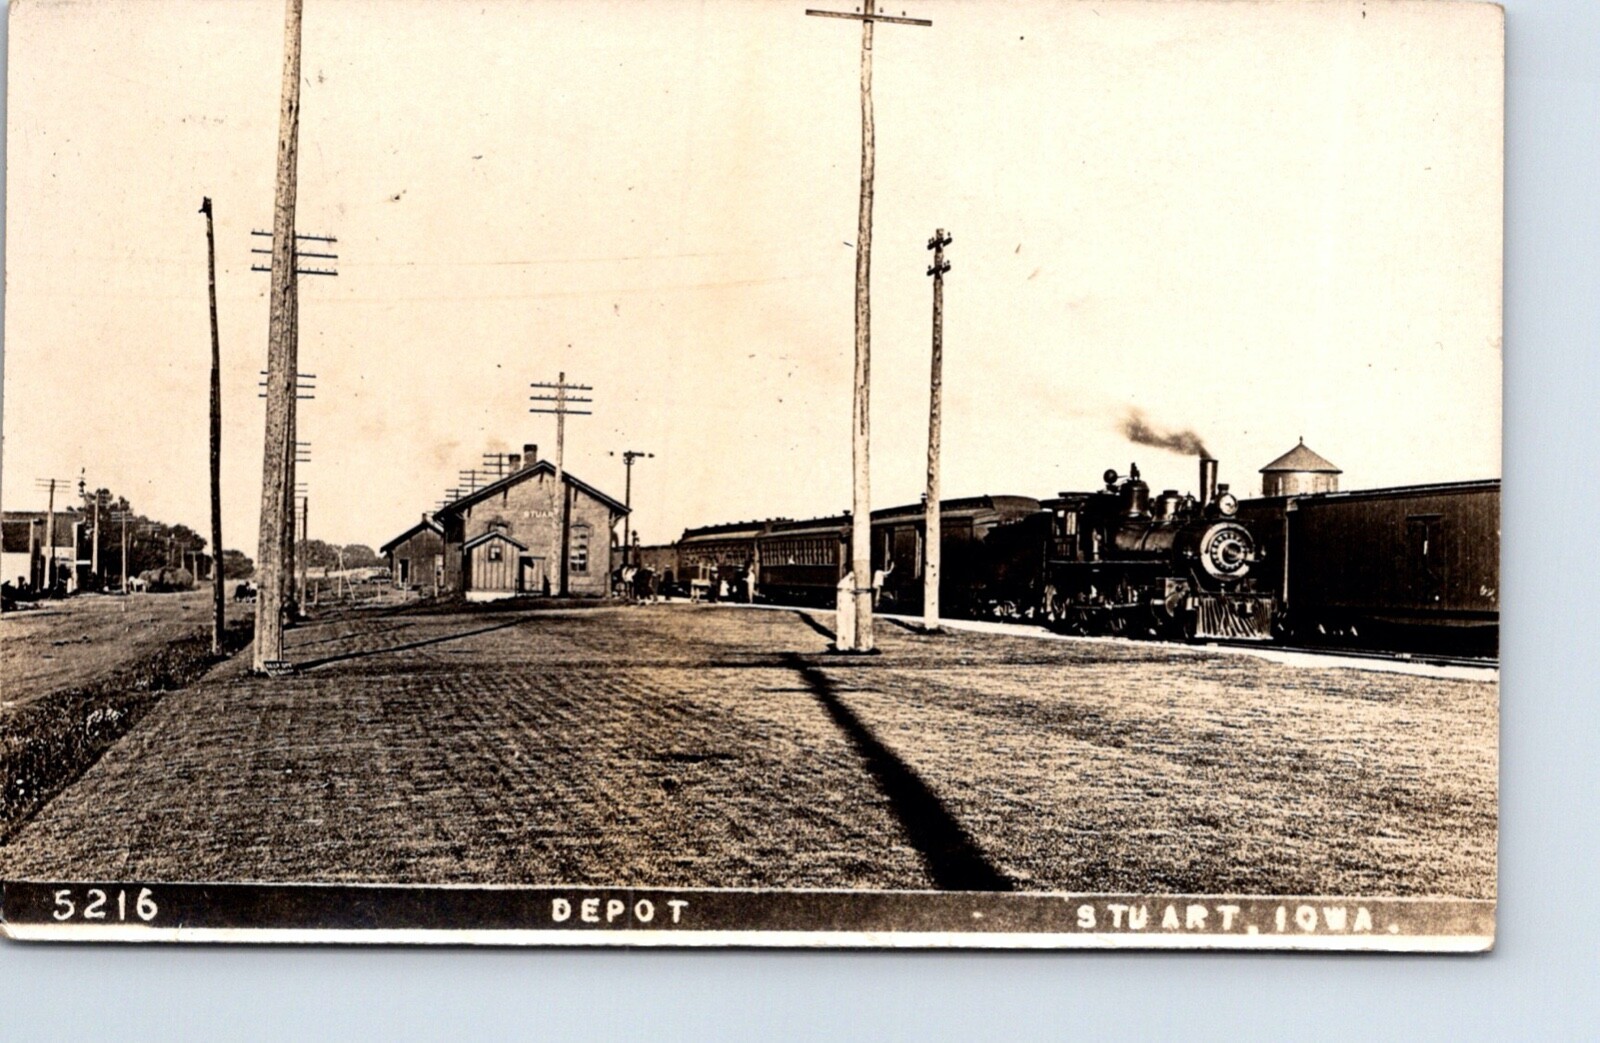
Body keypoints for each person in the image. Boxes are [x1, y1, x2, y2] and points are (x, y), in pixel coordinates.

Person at [835, 569, 856, 651]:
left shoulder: (843, 583)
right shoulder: (847, 583)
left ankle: (847, 643)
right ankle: (846, 644)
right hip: (846, 602)